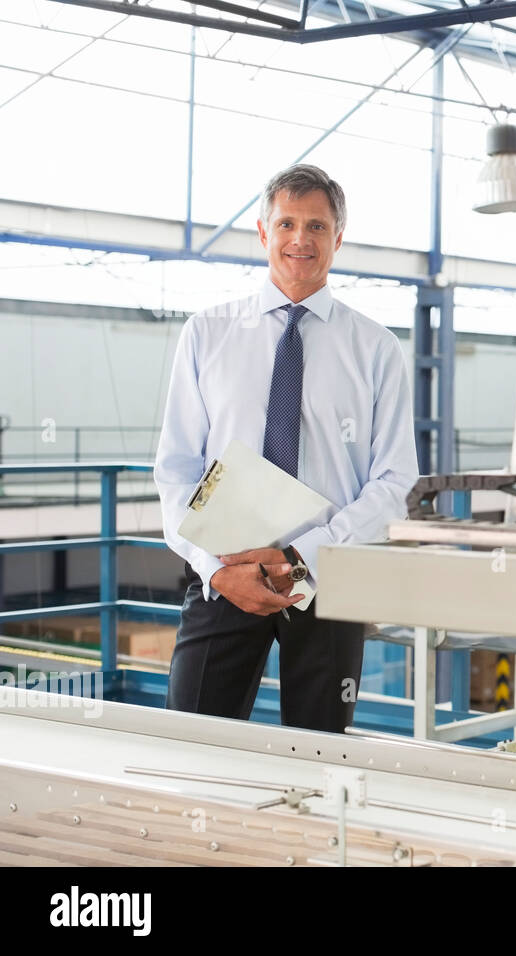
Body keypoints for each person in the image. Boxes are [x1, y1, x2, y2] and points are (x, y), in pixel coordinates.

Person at [154, 163, 419, 733]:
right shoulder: (207, 333)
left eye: (318, 227)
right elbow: (176, 468)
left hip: (326, 581)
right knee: (192, 741)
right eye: (288, 224)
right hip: (223, 572)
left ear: (338, 239)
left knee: (321, 755)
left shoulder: (376, 349)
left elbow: (395, 482)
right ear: (263, 233)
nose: (301, 239)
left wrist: (303, 558)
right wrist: (211, 567)